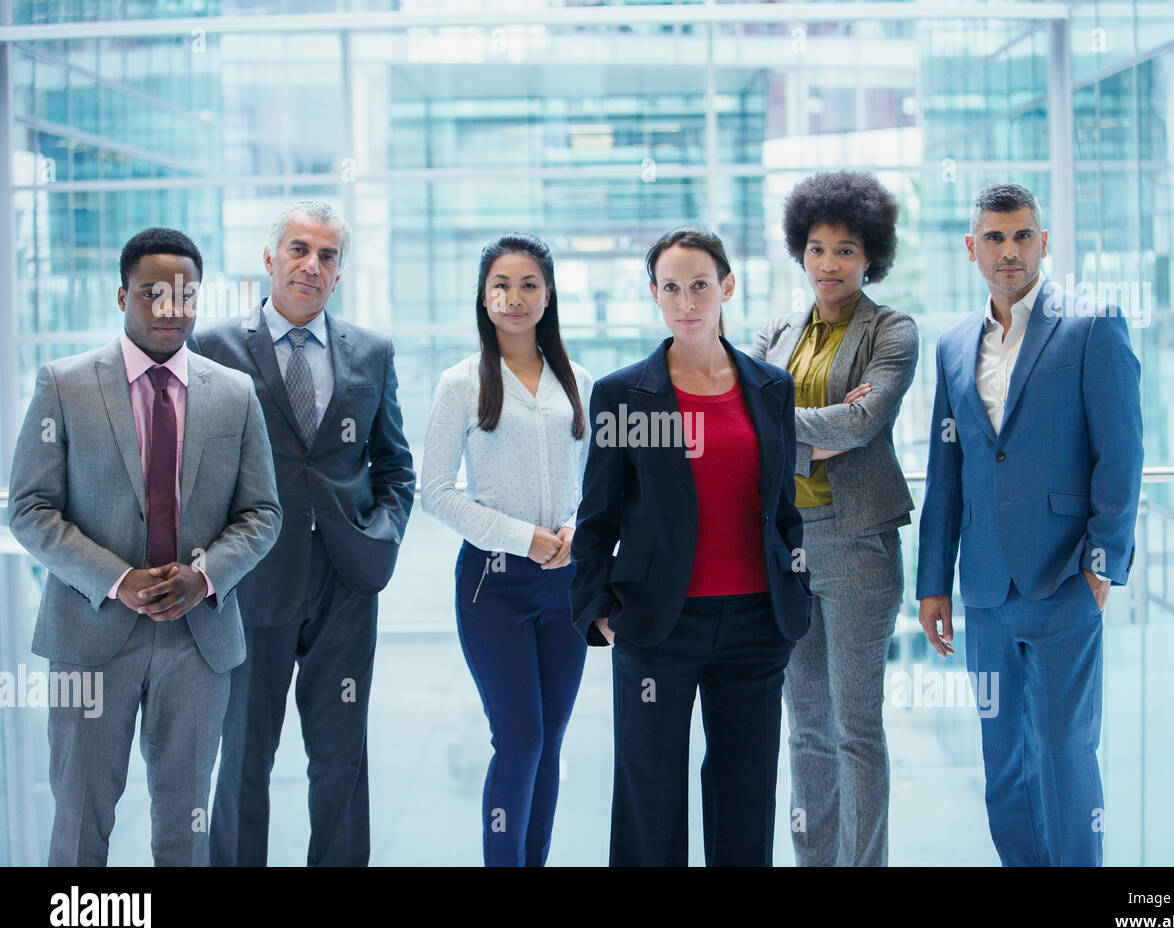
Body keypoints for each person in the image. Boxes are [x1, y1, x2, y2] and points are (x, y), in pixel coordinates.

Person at [8, 227, 281, 866]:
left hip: (198, 640)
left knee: (184, 830)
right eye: (152, 294)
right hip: (90, 633)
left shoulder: (234, 395)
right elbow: (29, 508)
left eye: (185, 295)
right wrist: (117, 579)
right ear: (121, 295)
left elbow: (262, 513)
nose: (169, 309)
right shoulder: (64, 385)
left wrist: (205, 577)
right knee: (79, 825)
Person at [916, 183, 1143, 866]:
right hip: (985, 588)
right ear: (971, 248)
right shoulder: (954, 347)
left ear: (1044, 242)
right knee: (1004, 761)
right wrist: (933, 584)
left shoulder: (1092, 324)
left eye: (1022, 236)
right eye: (994, 237)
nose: (1009, 250)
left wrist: (1103, 564)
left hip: (1065, 578)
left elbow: (1122, 452)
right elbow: (945, 473)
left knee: (1064, 751)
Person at [570, 227, 812, 867]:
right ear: (653, 294)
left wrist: (797, 597)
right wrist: (597, 609)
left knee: (746, 799)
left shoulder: (771, 388)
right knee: (650, 801)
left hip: (757, 626)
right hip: (655, 626)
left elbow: (784, 509)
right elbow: (597, 514)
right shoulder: (622, 394)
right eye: (671, 287)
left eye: (700, 285)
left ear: (726, 288)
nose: (687, 301)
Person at [192, 200, 416, 867]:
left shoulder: (371, 353)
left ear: (340, 272)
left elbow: (395, 465)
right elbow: (195, 470)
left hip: (347, 580)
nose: (311, 265)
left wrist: (380, 537)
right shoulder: (214, 348)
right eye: (298, 249)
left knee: (342, 759)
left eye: (327, 255)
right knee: (242, 756)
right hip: (253, 580)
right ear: (269, 258)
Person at [750, 170, 919, 867]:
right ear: (800, 250)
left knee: (855, 728)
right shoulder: (779, 330)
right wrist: (816, 428)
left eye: (845, 249)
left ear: (869, 255)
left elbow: (862, 421)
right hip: (789, 548)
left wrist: (777, 424)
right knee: (806, 728)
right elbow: (743, 418)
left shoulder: (893, 330)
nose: (828, 263)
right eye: (817, 248)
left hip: (857, 549)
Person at [422, 233, 592, 866]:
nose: (515, 297)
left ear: (547, 297)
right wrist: (525, 538)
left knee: (549, 742)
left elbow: (594, 482)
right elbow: (434, 491)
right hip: (493, 586)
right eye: (502, 285)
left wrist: (574, 530)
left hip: (566, 587)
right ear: (484, 297)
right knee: (518, 739)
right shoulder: (460, 383)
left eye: (528, 285)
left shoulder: (578, 382)